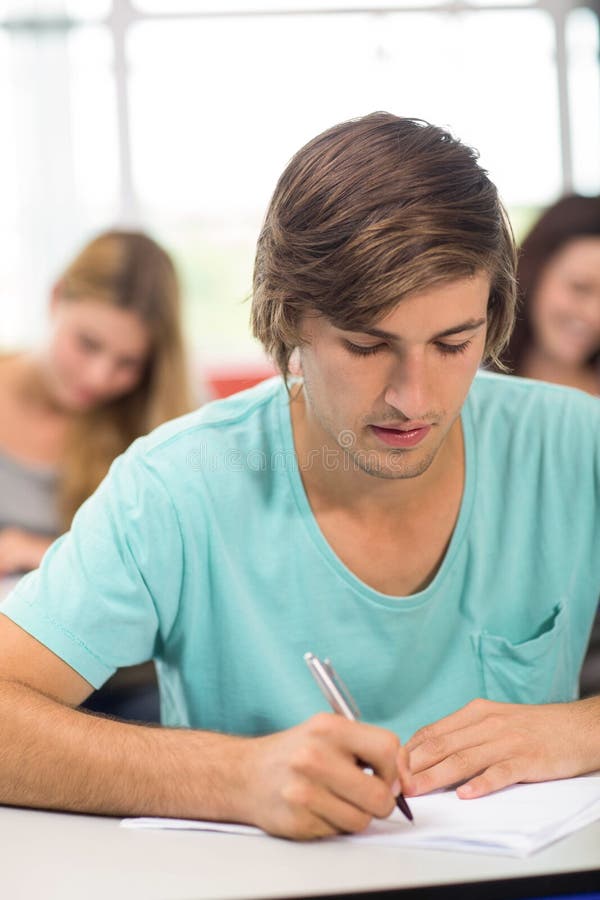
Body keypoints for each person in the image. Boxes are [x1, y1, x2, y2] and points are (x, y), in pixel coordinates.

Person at [0, 113, 598, 841]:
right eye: (366, 345)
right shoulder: (176, 485)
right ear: (290, 323)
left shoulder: (574, 445)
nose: (415, 399)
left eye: (452, 343)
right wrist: (233, 778)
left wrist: (585, 730)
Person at [0, 229, 194, 718]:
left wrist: (46, 556)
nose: (98, 377)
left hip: (124, 685)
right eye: (86, 344)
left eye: (128, 363)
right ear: (56, 298)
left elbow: (177, 583)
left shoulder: (156, 426)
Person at [494, 196, 600, 697]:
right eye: (579, 288)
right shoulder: (471, 395)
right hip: (508, 641)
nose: (594, 313)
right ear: (533, 275)